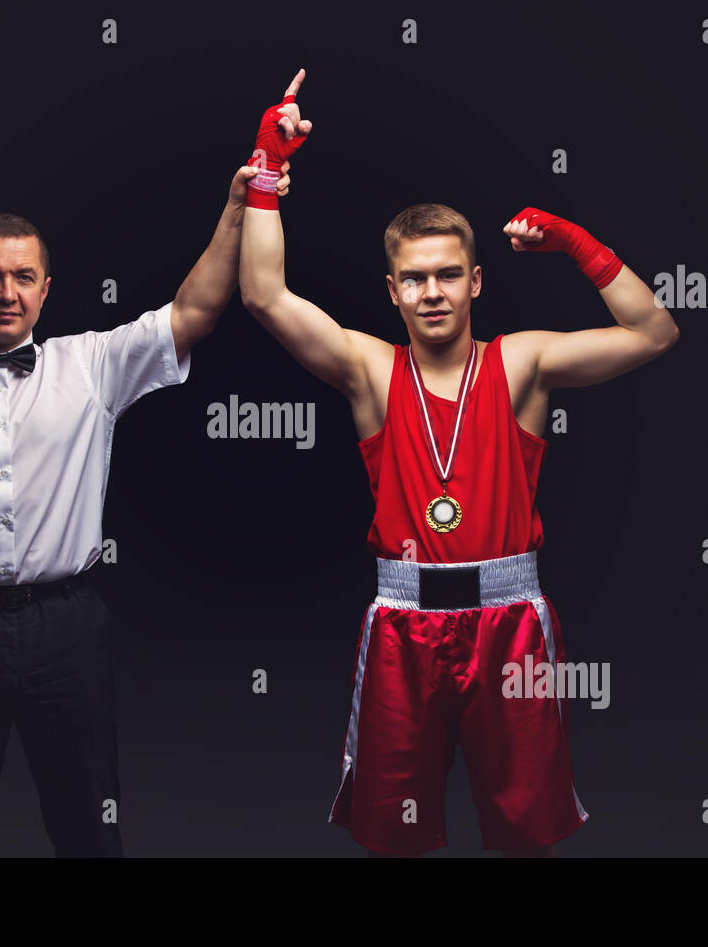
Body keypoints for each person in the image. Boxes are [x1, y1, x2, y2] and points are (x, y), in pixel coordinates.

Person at [238, 69, 680, 856]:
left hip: (511, 623)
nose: (433, 292)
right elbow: (265, 295)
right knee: (394, 833)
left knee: (525, 828)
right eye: (415, 279)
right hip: (403, 625)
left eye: (448, 275)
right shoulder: (372, 370)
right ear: (393, 291)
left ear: (475, 280)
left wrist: (576, 243)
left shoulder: (522, 365)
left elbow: (654, 333)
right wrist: (266, 170)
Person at [0, 162, 292, 857]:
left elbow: (195, 310)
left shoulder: (91, 366)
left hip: (67, 631)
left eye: (23, 277)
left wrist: (240, 203)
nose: (6, 292)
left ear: (46, 290)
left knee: (89, 827)